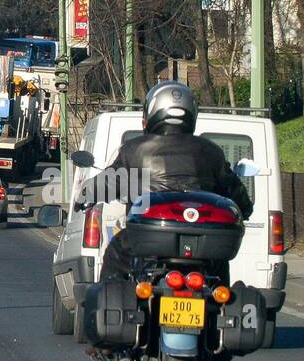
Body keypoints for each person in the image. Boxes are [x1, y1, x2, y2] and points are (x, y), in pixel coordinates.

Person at [79, 80, 253, 282]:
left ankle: (107, 312)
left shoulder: (134, 149)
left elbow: (109, 182)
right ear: (191, 114)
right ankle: (217, 300)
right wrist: (245, 208)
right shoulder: (211, 151)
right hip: (203, 243)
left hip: (150, 238)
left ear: (152, 114)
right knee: (219, 266)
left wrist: (85, 194)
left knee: (116, 251)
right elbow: (234, 191)